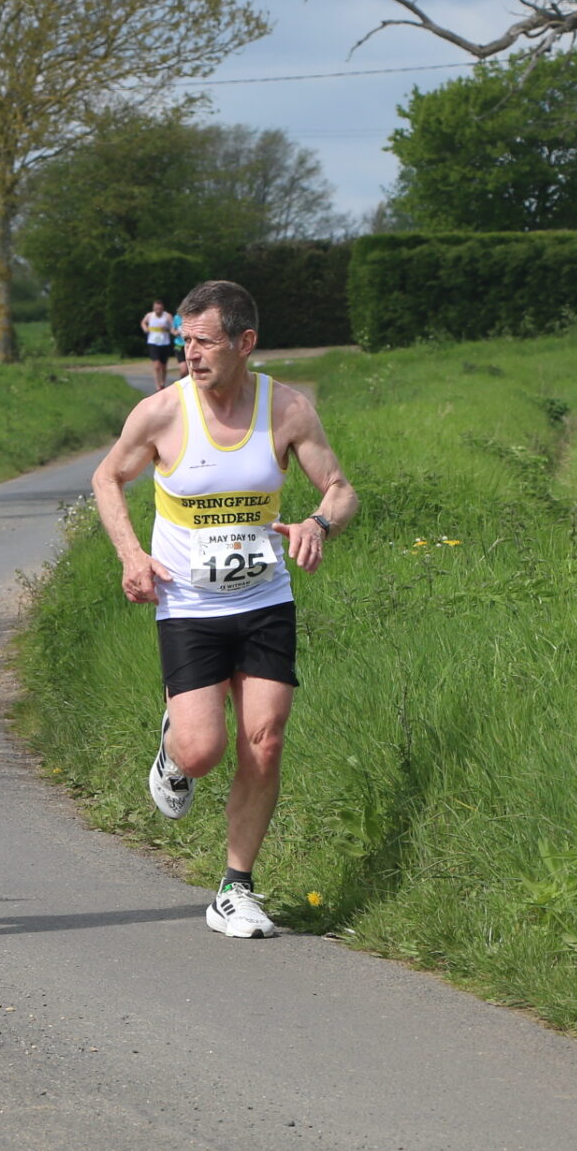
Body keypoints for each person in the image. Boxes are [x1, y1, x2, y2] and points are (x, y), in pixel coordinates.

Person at [88, 279, 357, 940]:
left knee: (264, 739)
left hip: (264, 597)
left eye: (204, 342)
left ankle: (235, 886)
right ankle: (175, 748)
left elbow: (342, 489)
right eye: (185, 342)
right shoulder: (162, 414)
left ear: (245, 342)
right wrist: (131, 555)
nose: (191, 356)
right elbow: (106, 478)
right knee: (204, 749)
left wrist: (319, 523)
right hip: (188, 605)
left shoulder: (287, 409)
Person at [140, 300, 174, 391]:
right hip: (153, 342)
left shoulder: (167, 316)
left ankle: (162, 383)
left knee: (163, 366)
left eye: (160, 308)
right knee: (156, 365)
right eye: (156, 308)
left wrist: (168, 328)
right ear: (153, 308)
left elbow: (173, 327)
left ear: (162, 308)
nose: (158, 310)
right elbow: (143, 322)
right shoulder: (149, 315)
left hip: (164, 343)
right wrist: (145, 328)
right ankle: (157, 386)